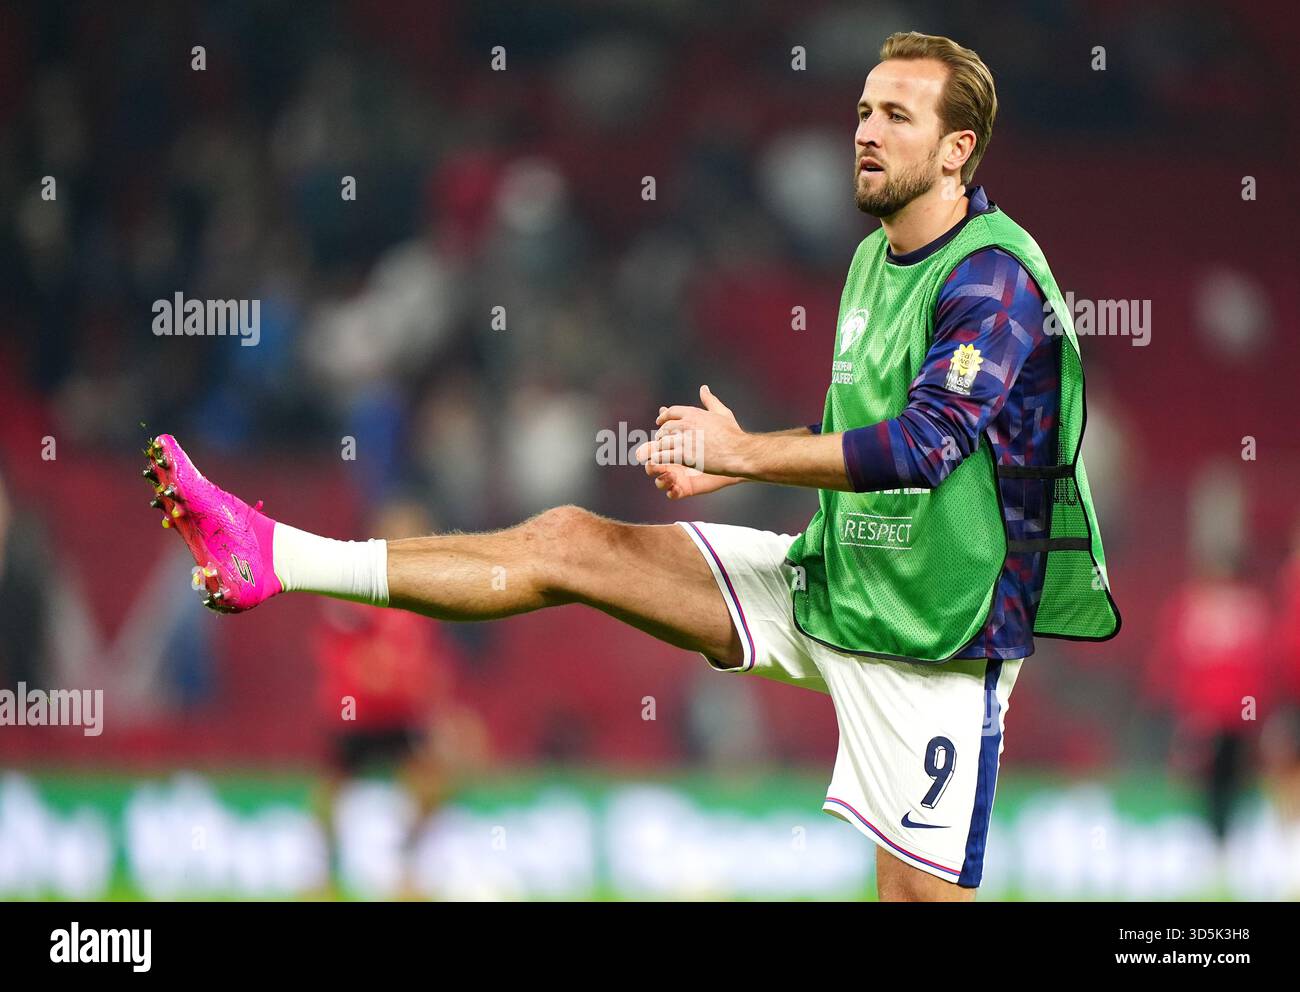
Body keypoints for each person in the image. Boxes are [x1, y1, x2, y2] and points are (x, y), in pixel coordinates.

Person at [141, 31, 1120, 902]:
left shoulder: (992, 277)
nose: (864, 129)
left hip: (935, 640)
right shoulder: (874, 260)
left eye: (895, 115)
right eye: (862, 109)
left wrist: (743, 452)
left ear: (957, 150)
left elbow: (925, 444)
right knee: (569, 540)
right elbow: (860, 442)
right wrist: (741, 470)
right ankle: (275, 551)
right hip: (834, 583)